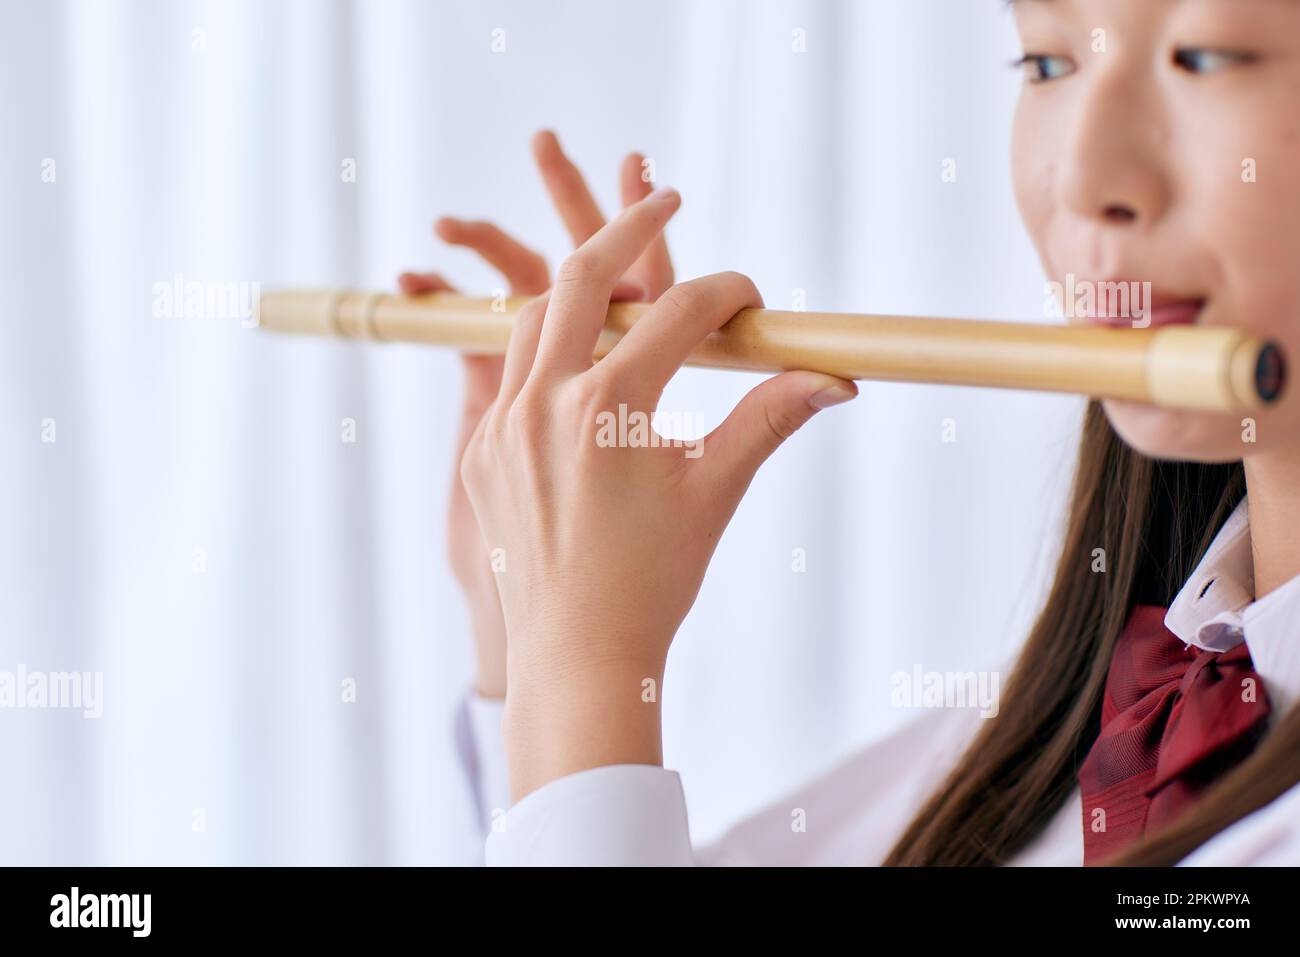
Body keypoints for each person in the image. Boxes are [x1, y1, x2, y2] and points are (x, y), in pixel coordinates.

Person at [404, 0, 1300, 865]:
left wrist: (586, 662)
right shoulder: (1100, 710)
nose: (1084, 177)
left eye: (1208, 56)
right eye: (1048, 62)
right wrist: (531, 615)